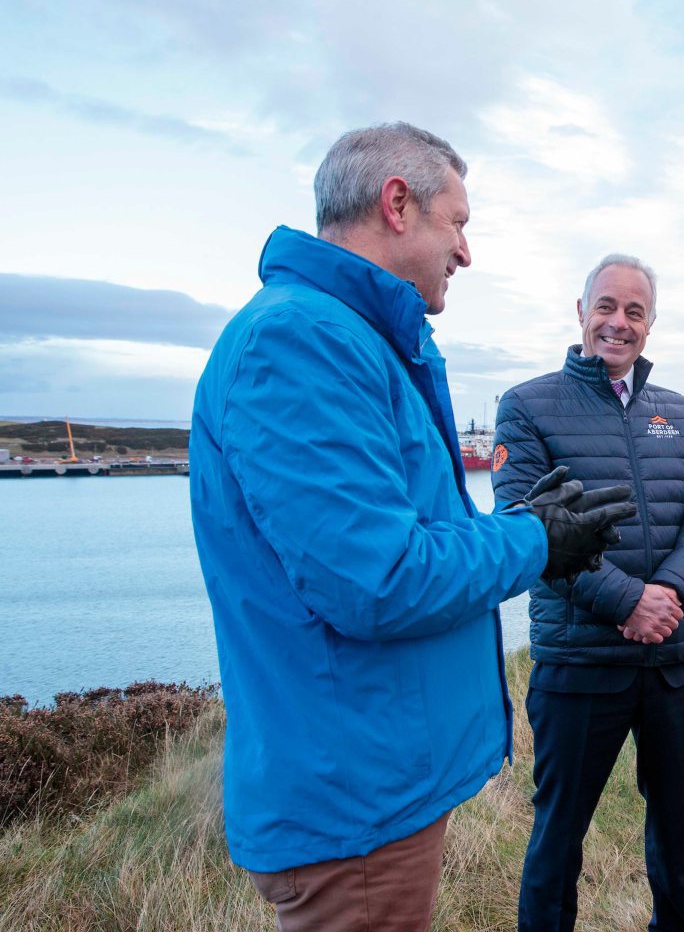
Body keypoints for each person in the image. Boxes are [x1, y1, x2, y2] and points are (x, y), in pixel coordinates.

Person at [190, 122, 633, 931]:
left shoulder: (348, 338)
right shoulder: (301, 343)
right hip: (352, 793)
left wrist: (524, 531)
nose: (466, 252)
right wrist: (536, 538)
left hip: (368, 772)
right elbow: (379, 576)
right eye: (457, 223)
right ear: (398, 204)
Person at [493, 253, 684, 932]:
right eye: (606, 307)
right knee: (559, 836)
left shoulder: (676, 414)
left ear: (650, 324)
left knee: (678, 827)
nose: (618, 324)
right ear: (580, 312)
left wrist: (670, 594)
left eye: (634, 311)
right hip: (580, 665)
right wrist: (627, 601)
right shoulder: (528, 407)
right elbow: (526, 527)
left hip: (676, 660)